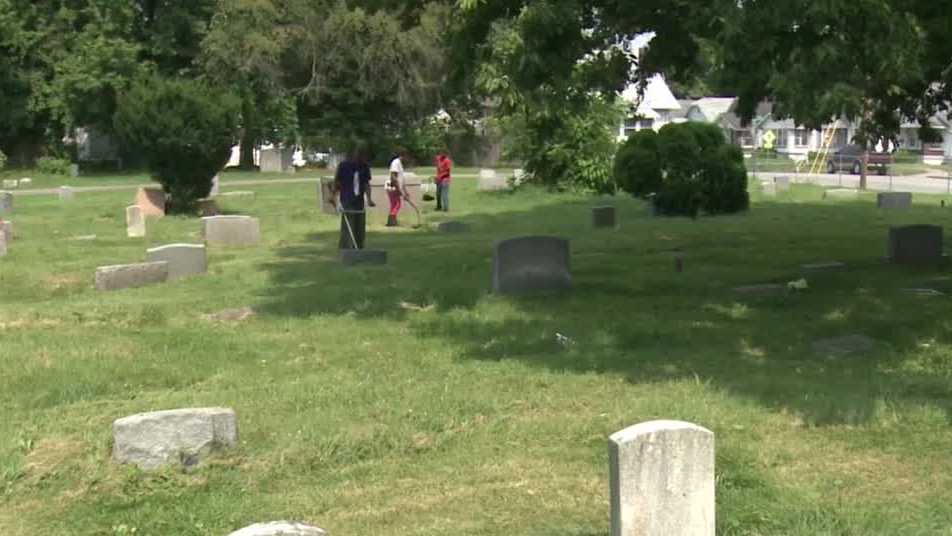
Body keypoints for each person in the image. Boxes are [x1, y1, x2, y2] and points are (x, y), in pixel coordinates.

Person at [333, 145, 375, 249]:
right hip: (347, 198)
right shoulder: (343, 166)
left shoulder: (364, 167)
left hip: (359, 200)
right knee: (348, 224)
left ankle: (359, 246)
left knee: (360, 225)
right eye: (360, 155)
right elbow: (337, 183)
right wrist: (334, 196)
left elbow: (366, 184)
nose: (362, 158)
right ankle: (347, 248)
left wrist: (369, 199)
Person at [385, 150, 410, 227]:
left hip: (396, 186)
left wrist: (405, 191)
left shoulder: (399, 164)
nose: (407, 159)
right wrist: (399, 189)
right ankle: (391, 221)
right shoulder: (395, 162)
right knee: (397, 204)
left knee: (394, 204)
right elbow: (393, 177)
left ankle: (392, 221)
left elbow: (402, 179)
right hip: (393, 186)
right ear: (403, 155)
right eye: (407, 156)